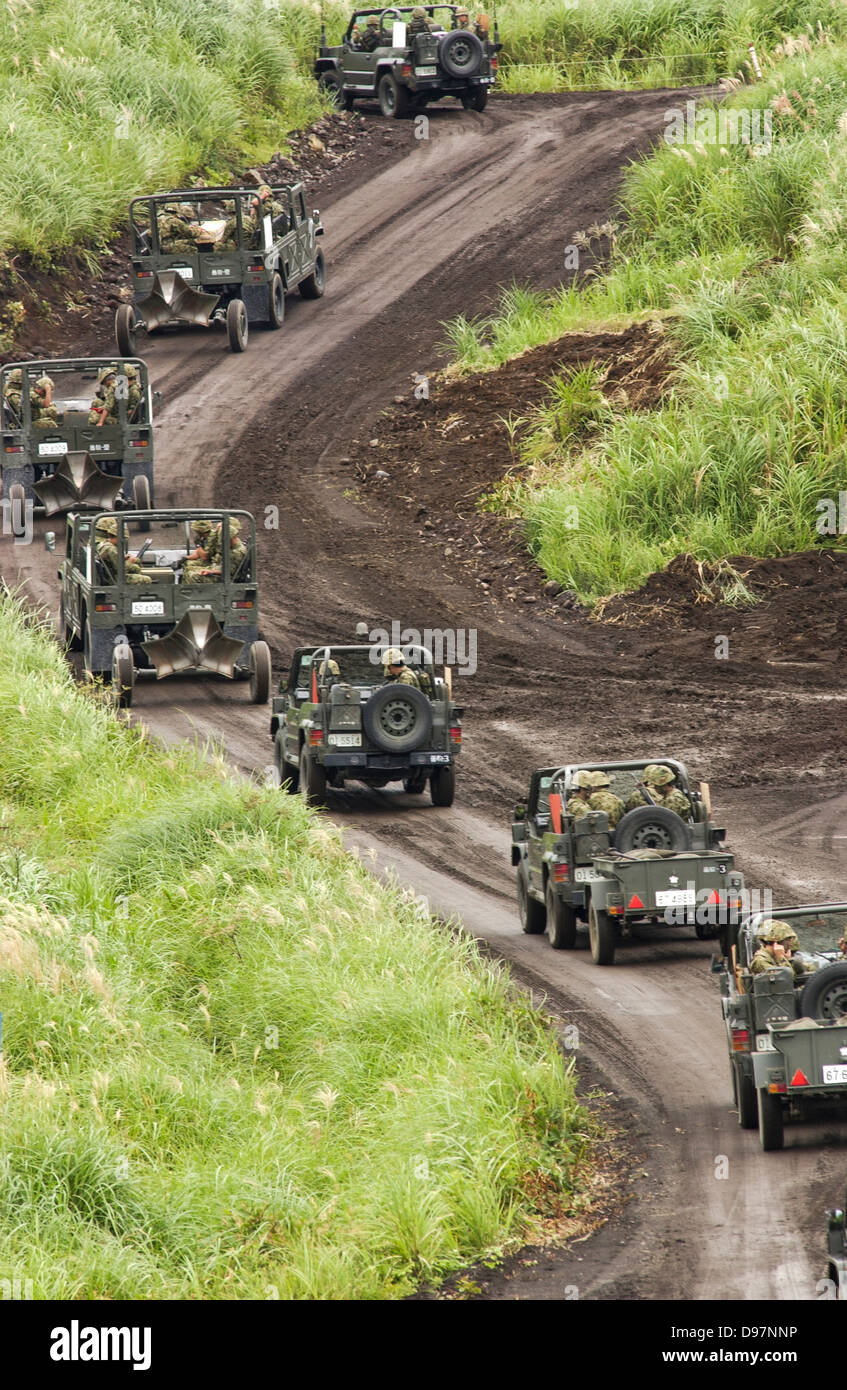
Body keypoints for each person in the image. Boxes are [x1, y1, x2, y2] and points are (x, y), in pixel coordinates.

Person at [750, 920, 816, 980]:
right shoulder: (760, 961)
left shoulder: (775, 956)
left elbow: (811, 969)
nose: (791, 942)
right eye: (787, 939)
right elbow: (787, 979)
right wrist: (781, 958)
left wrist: (789, 960)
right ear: (776, 941)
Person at [625, 763, 693, 819]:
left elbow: (662, 816)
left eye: (655, 785)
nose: (654, 788)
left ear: (662, 784)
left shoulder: (675, 799)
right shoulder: (670, 797)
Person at [94, 515, 146, 584]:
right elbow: (121, 569)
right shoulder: (110, 548)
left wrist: (124, 558)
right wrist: (131, 561)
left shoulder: (103, 544)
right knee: (144, 577)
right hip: (113, 578)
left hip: (110, 574)